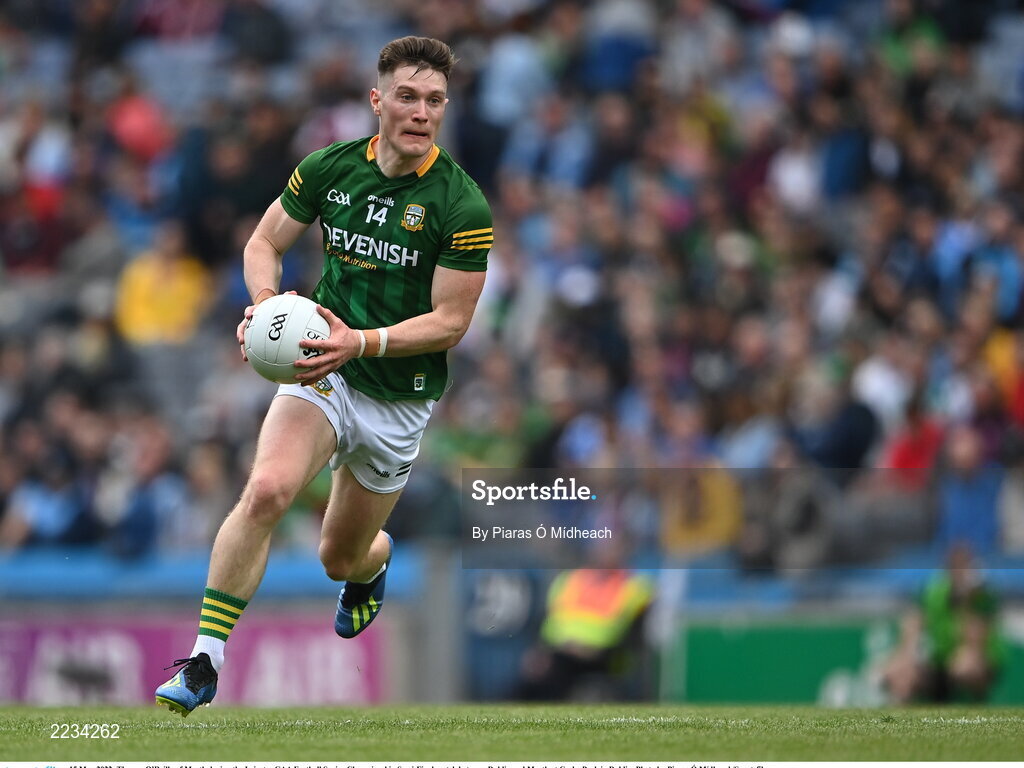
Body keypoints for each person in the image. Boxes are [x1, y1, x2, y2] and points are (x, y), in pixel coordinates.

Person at [155, 36, 491, 716]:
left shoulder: (462, 205)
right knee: (267, 490)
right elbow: (263, 241)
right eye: (407, 96)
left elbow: (452, 322)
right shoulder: (329, 168)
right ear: (377, 101)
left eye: (434, 101)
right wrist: (264, 305)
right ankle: (204, 662)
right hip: (320, 371)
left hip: (398, 397)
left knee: (339, 556)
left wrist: (358, 342)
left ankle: (373, 563)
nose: (421, 112)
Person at [883, 543, 1005, 703]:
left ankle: (975, 706)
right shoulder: (931, 591)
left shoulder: (981, 595)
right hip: (936, 660)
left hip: (971, 658)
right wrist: (906, 656)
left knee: (965, 666)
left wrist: (967, 602)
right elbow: (913, 624)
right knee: (900, 673)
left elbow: (974, 643)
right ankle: (898, 714)